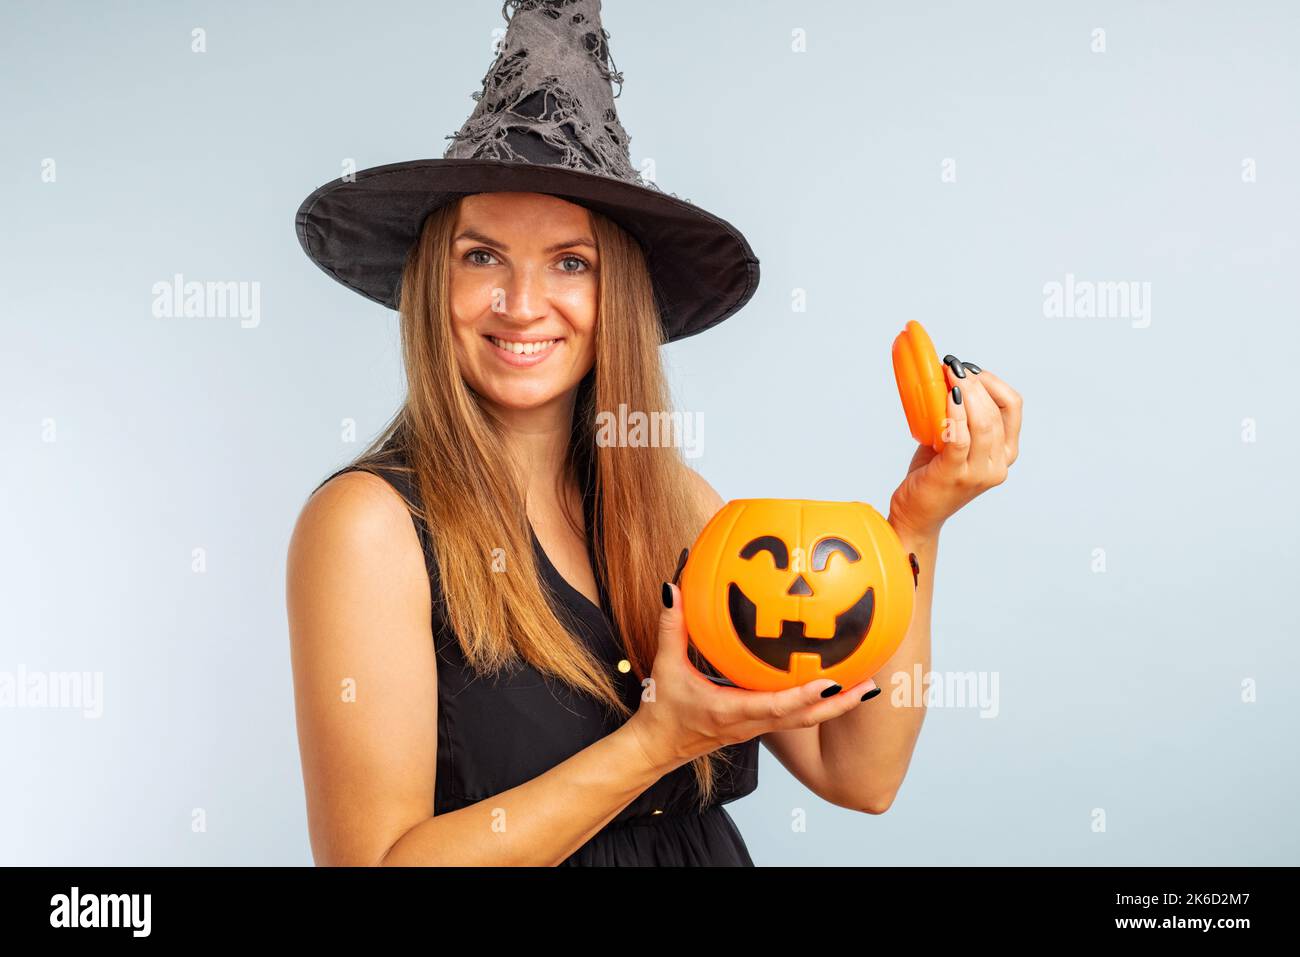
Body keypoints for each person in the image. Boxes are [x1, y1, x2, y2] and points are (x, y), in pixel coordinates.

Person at [285, 0, 1023, 866]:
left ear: (619, 299)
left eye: (571, 262)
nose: (522, 305)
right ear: (429, 285)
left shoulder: (673, 503)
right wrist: (658, 740)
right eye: (480, 256)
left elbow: (859, 772)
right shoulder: (368, 527)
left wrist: (917, 524)